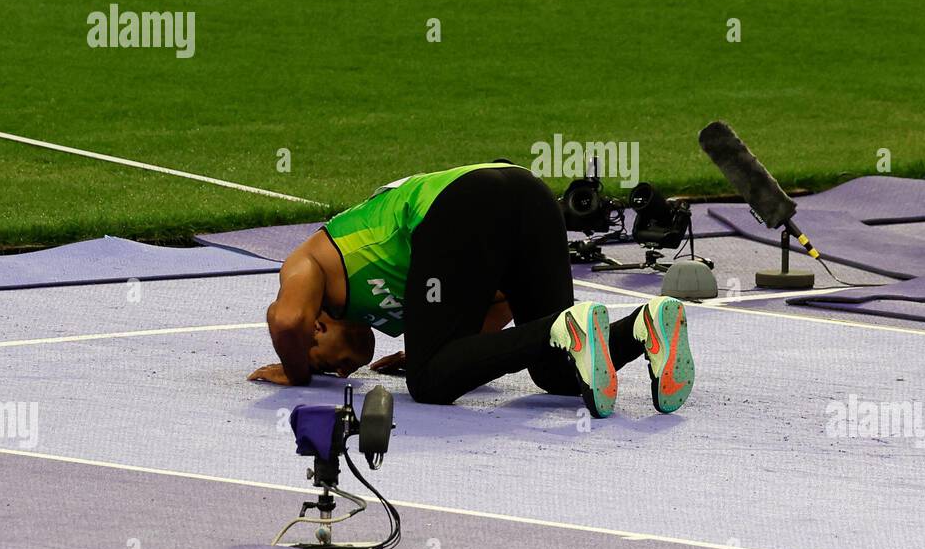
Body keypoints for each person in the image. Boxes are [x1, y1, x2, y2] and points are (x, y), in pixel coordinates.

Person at [248, 162, 695, 417]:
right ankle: (645, 326)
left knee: (429, 384)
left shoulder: (310, 263)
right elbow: (495, 308)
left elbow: (286, 321)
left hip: (466, 202)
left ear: (318, 327)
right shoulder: (391, 304)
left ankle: (568, 328)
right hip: (528, 197)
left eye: (327, 366)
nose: (343, 374)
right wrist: (448, 349)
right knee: (557, 371)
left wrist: (296, 373)